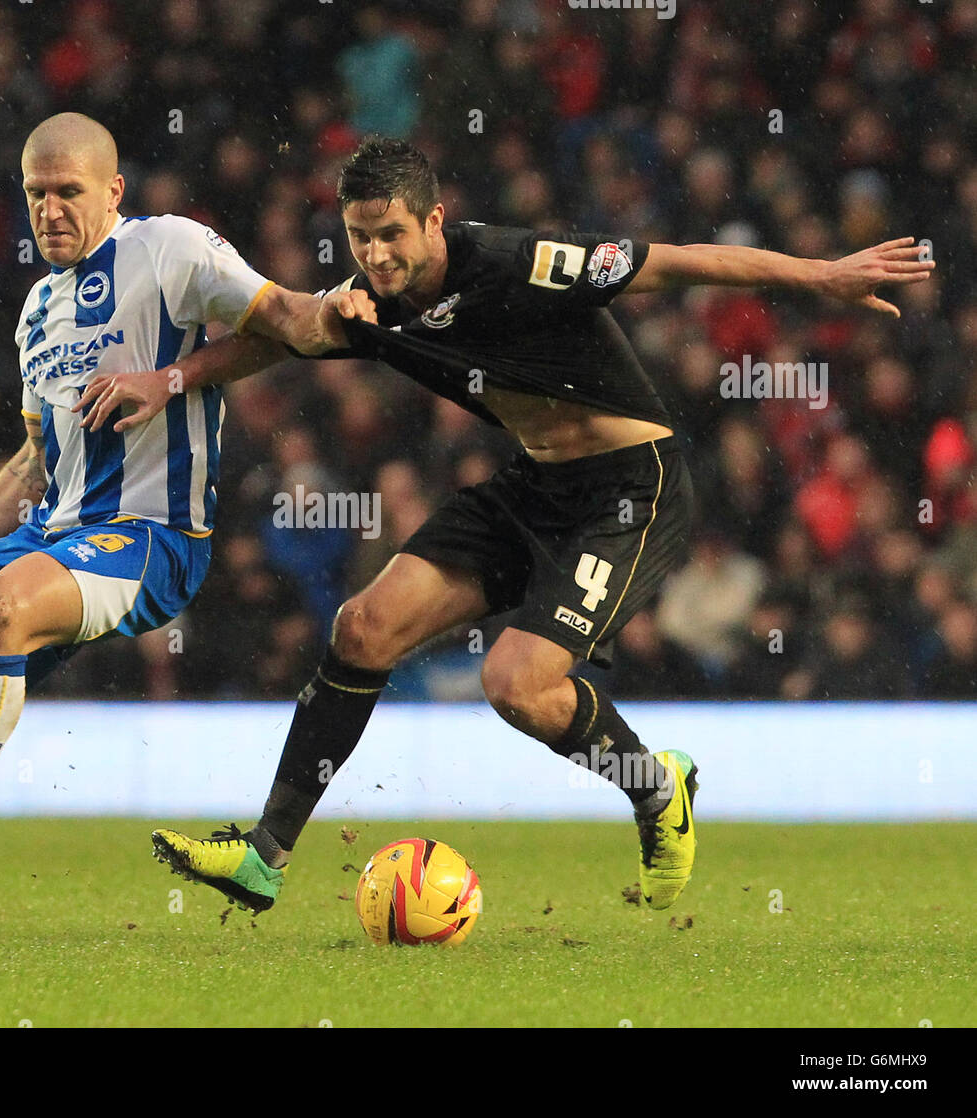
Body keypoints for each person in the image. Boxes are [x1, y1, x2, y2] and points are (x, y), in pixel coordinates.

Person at [79, 137, 933, 913]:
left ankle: (654, 786)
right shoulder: (369, 304)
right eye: (359, 237)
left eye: (392, 236)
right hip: (533, 486)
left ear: (435, 220)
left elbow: (678, 262)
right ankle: (264, 858)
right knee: (363, 627)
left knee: (517, 684)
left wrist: (822, 275)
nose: (376, 256)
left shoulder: (522, 263)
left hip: (631, 488)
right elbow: (284, 334)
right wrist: (175, 378)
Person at [0, 112, 374, 936]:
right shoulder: (34, 312)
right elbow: (28, 464)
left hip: (153, 534)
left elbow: (288, 326)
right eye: (35, 194)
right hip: (54, 530)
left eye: (69, 192)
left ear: (113, 190)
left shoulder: (173, 249)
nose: (49, 209)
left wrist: (177, 375)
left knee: (6, 609)